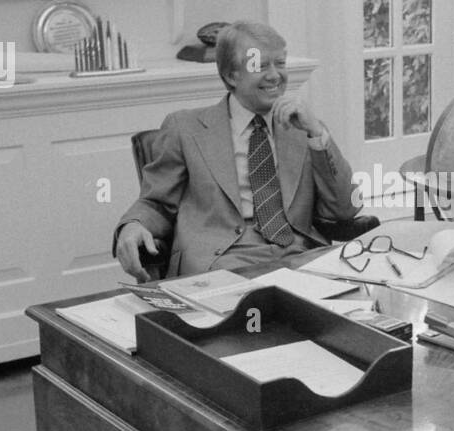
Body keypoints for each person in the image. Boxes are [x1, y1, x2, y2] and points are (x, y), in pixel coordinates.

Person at [114, 21, 358, 280]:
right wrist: (133, 225)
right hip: (224, 260)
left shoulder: (302, 127)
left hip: (300, 256)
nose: (275, 75)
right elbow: (156, 202)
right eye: (261, 66)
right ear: (231, 75)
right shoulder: (185, 128)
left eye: (281, 63)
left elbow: (344, 209)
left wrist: (317, 134)